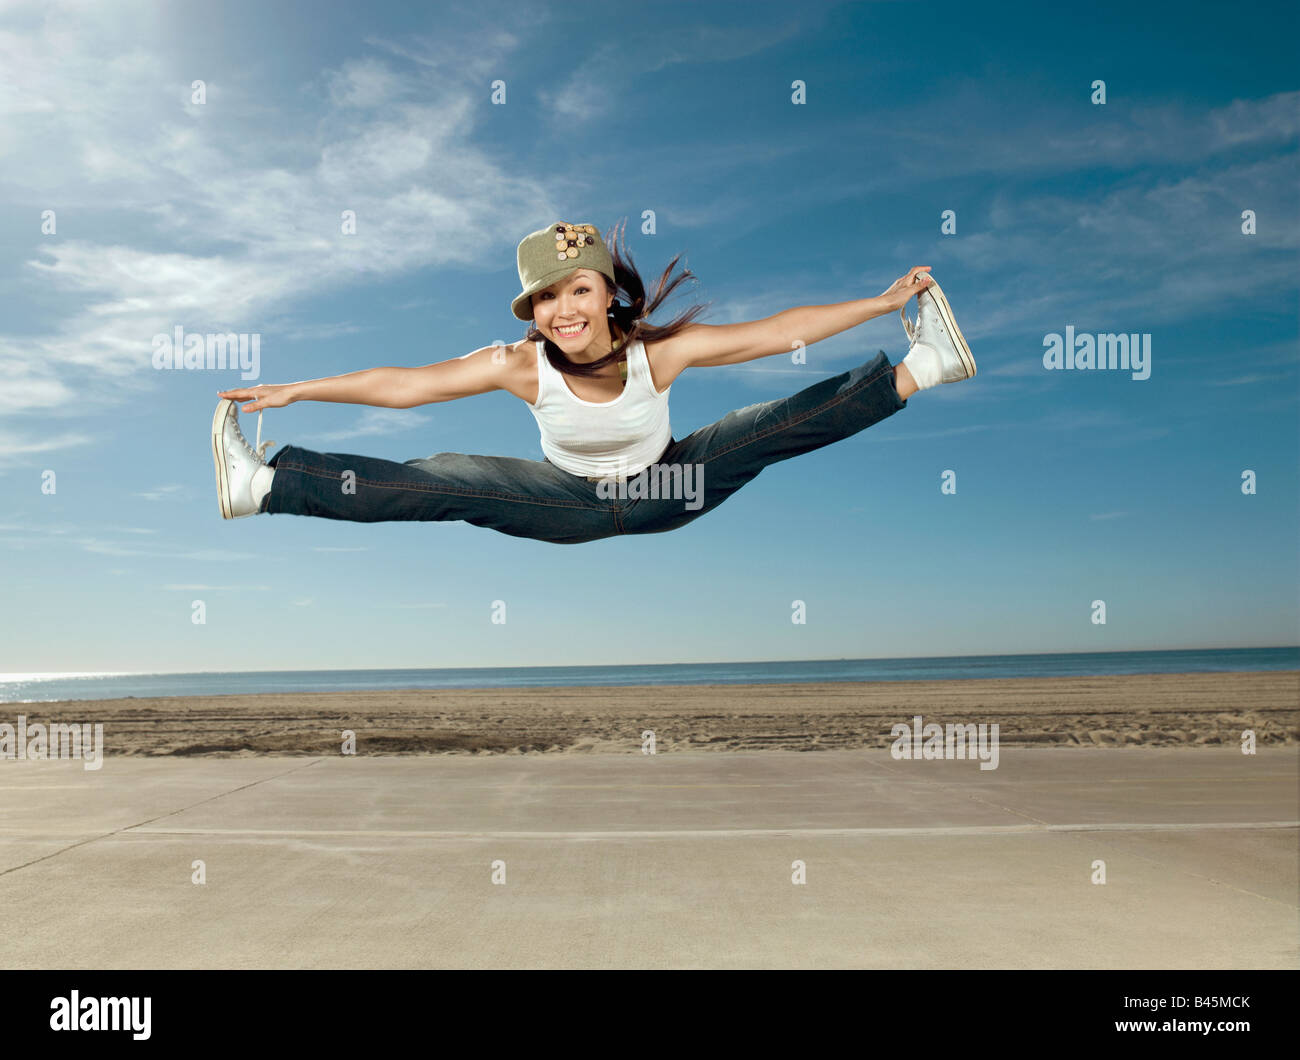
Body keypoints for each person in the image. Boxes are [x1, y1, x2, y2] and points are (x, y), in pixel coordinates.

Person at [213, 219, 975, 544]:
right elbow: (407, 385)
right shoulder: (518, 365)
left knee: (763, 428)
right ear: (533, 311)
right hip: (567, 502)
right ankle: (267, 488)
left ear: (608, 293)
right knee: (446, 477)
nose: (563, 310)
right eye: (546, 298)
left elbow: (778, 334)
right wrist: (298, 389)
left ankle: (925, 366)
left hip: (667, 487)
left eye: (577, 290)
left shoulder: (660, 352)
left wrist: (880, 304)